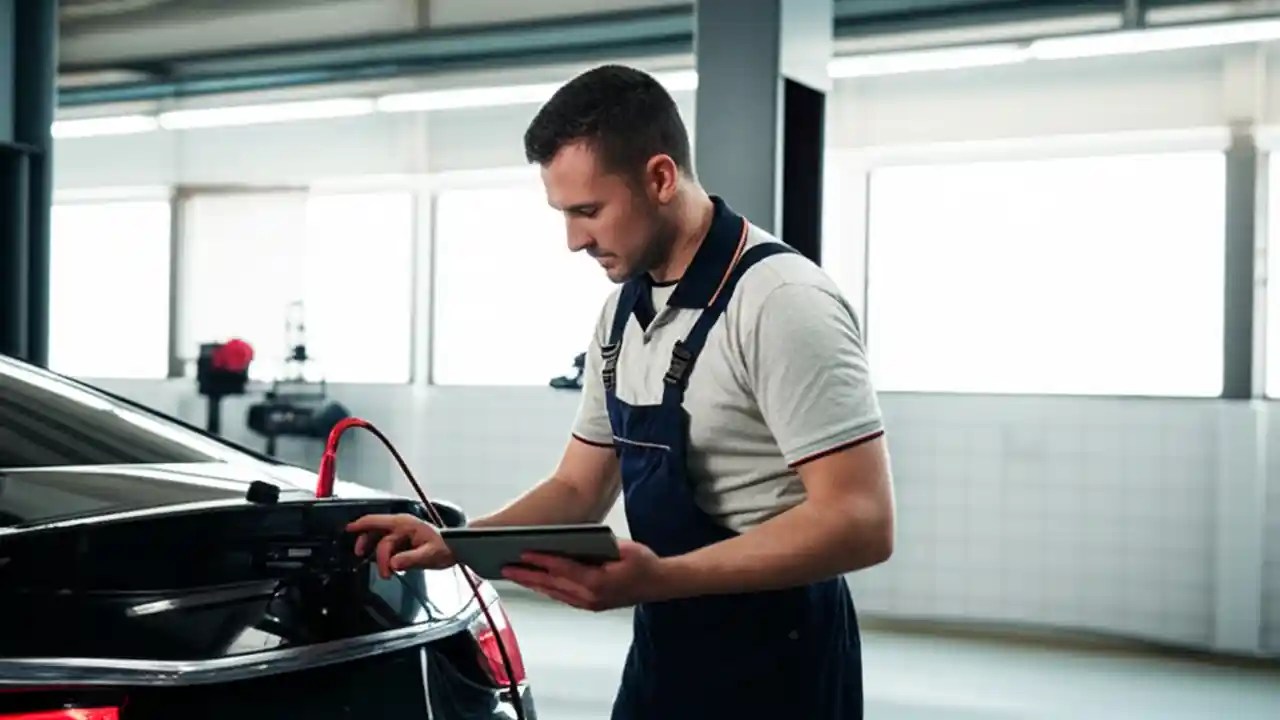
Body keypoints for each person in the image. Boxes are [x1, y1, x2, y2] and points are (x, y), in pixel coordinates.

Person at [346, 64, 896, 719]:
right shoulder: (620, 315)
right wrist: (453, 542)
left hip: (782, 660)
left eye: (588, 211)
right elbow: (579, 487)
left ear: (660, 178)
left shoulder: (782, 302)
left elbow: (861, 522)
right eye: (564, 214)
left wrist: (663, 578)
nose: (574, 240)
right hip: (668, 647)